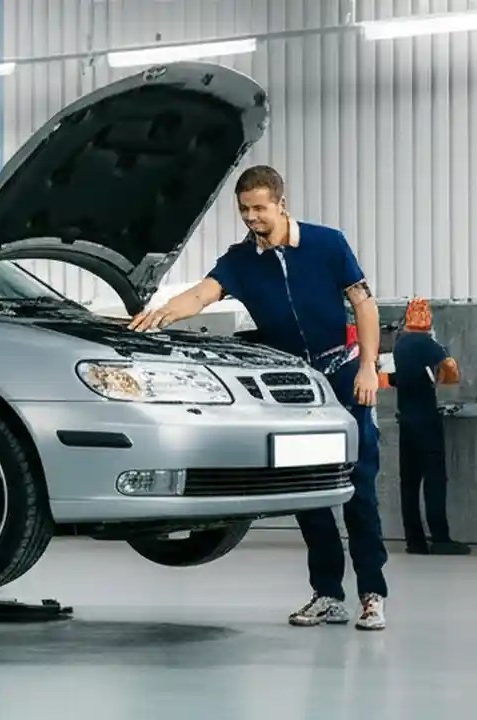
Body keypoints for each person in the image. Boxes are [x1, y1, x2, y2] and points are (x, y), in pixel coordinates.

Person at [128, 165, 388, 631]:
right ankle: (328, 594)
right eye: (245, 210)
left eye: (260, 209)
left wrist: (369, 366)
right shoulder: (241, 261)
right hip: (295, 391)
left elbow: (363, 304)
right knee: (310, 493)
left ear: (281, 205)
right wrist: (160, 314)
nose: (252, 218)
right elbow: (200, 296)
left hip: (345, 378)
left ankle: (372, 594)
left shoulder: (328, 244)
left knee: (359, 489)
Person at [390, 298, 471, 555]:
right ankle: (441, 539)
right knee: (434, 480)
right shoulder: (428, 344)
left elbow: (389, 378)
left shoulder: (399, 345)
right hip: (426, 421)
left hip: (405, 420)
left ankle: (414, 541)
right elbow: (452, 372)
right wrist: (439, 377)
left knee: (409, 483)